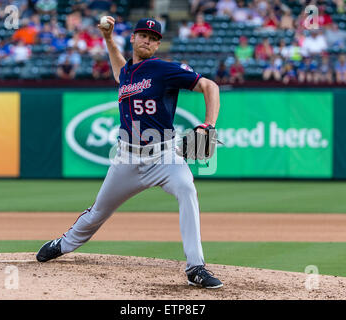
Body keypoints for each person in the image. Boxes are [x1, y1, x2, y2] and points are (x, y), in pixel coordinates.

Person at [36, 16, 223, 289]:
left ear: (158, 45)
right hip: (127, 157)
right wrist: (109, 39)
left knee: (187, 189)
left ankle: (195, 267)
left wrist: (209, 125)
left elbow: (210, 86)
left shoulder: (164, 70)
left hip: (164, 156)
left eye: (154, 38)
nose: (148, 40)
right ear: (133, 38)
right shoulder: (126, 74)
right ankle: (63, 244)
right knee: (98, 212)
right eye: (143, 35)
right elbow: (119, 70)